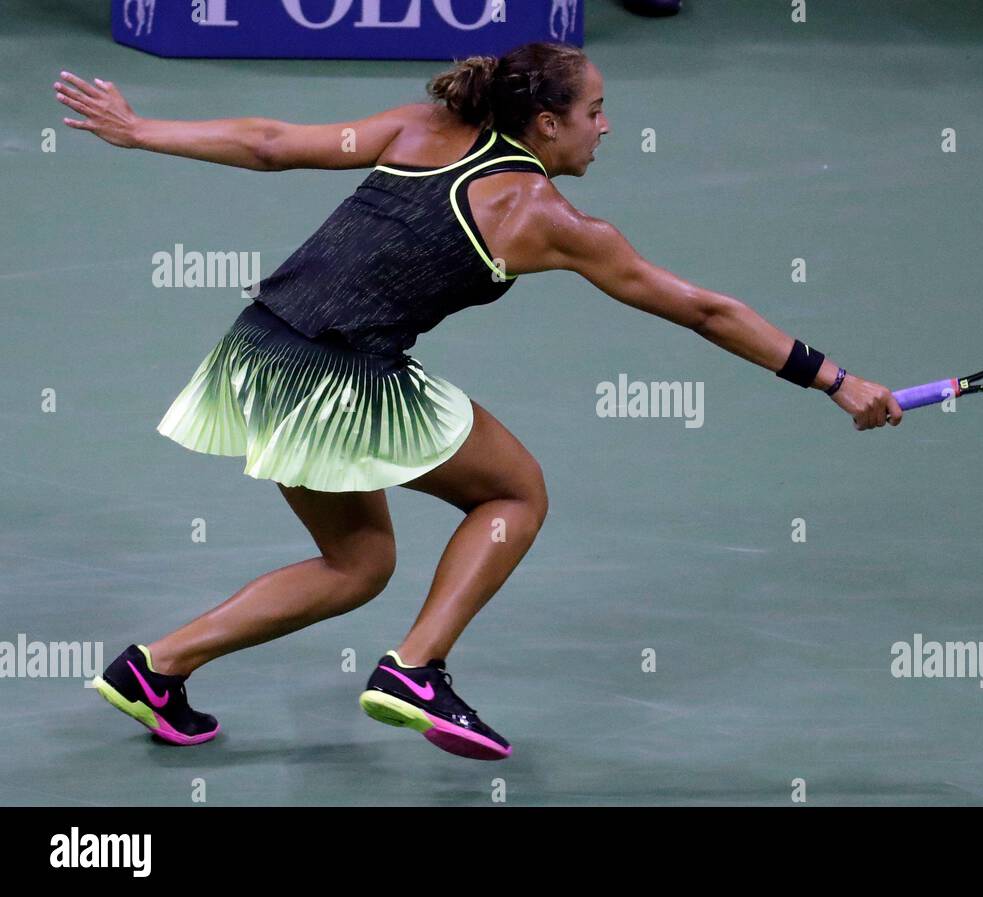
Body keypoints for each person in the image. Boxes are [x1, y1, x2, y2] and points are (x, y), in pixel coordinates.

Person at [54, 41, 902, 761]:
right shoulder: (549, 217)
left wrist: (141, 130)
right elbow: (703, 308)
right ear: (546, 125)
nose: (607, 126)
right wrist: (836, 379)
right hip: (341, 374)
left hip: (261, 349)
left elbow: (273, 142)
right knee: (515, 491)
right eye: (596, 111)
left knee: (359, 565)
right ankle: (416, 669)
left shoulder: (420, 126)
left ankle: (156, 668)